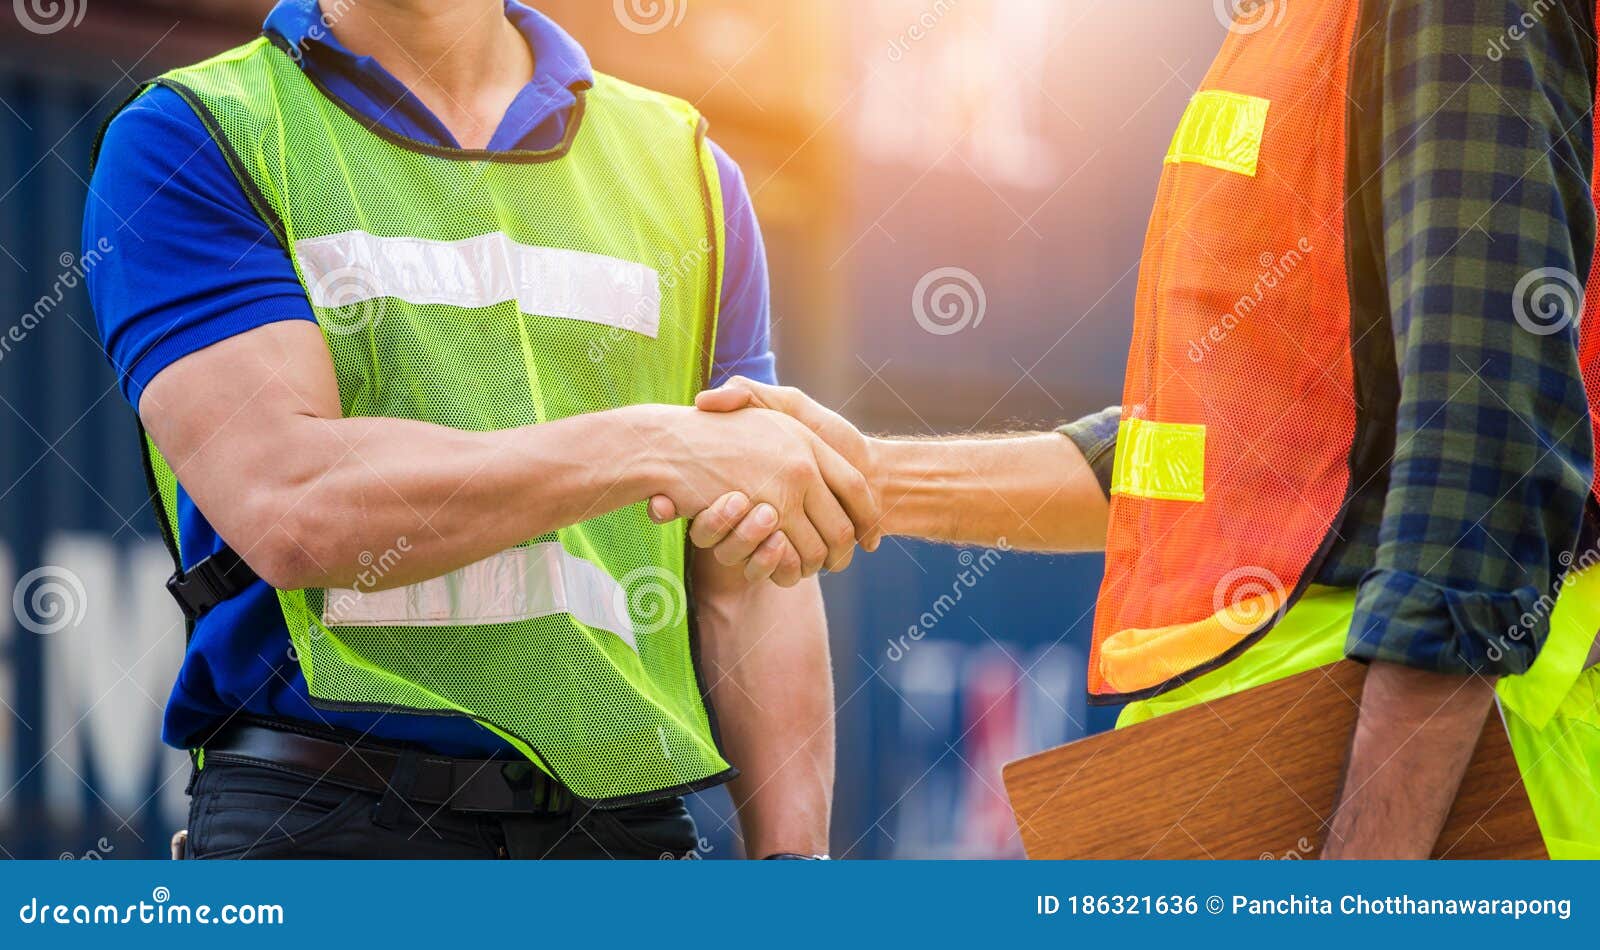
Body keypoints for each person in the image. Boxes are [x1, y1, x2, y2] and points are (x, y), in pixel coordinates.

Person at [666, 0, 1600, 859]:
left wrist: (1364, 879)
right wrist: (858, 473)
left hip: (1438, 785)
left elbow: (1485, 457)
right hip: (1274, 761)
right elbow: (1208, 456)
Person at [84, 0, 876, 859]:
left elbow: (751, 569)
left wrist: (794, 870)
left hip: (623, 834)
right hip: (331, 824)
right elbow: (295, 504)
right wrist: (650, 446)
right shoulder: (197, 137)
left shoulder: (688, 172)